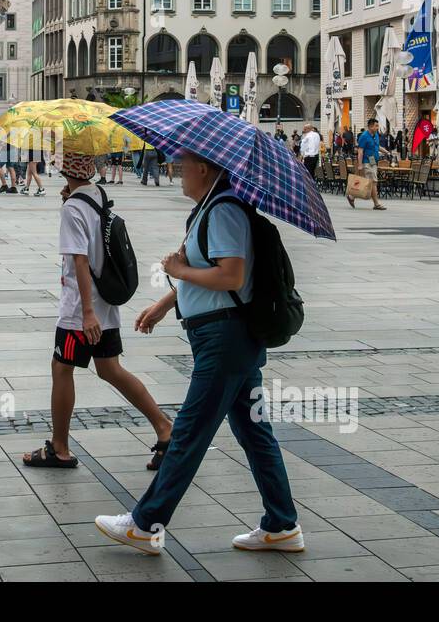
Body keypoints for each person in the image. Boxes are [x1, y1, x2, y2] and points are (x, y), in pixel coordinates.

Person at [95, 150, 302, 555]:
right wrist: (166, 302)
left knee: (190, 430)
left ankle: (145, 523)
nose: (177, 169)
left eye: (183, 163)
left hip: (225, 340)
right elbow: (211, 272)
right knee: (254, 432)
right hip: (228, 338)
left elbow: (231, 275)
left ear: (204, 168)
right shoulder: (212, 207)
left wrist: (178, 271)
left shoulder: (223, 210)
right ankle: (281, 524)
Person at [22, 152, 172, 471]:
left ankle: (59, 448)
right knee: (109, 369)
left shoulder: (74, 206)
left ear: (64, 168)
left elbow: (80, 260)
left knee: (61, 368)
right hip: (105, 303)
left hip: (81, 309)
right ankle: (165, 429)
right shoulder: (96, 194)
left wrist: (87, 312)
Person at [349, 117, 386, 210]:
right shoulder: (364, 136)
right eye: (376, 126)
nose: (378, 127)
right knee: (373, 182)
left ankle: (352, 197)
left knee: (369, 183)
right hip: (367, 162)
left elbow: (377, 146)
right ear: (370, 126)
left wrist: (387, 152)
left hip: (373, 162)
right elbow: (360, 151)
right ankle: (376, 204)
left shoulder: (376, 135)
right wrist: (360, 164)